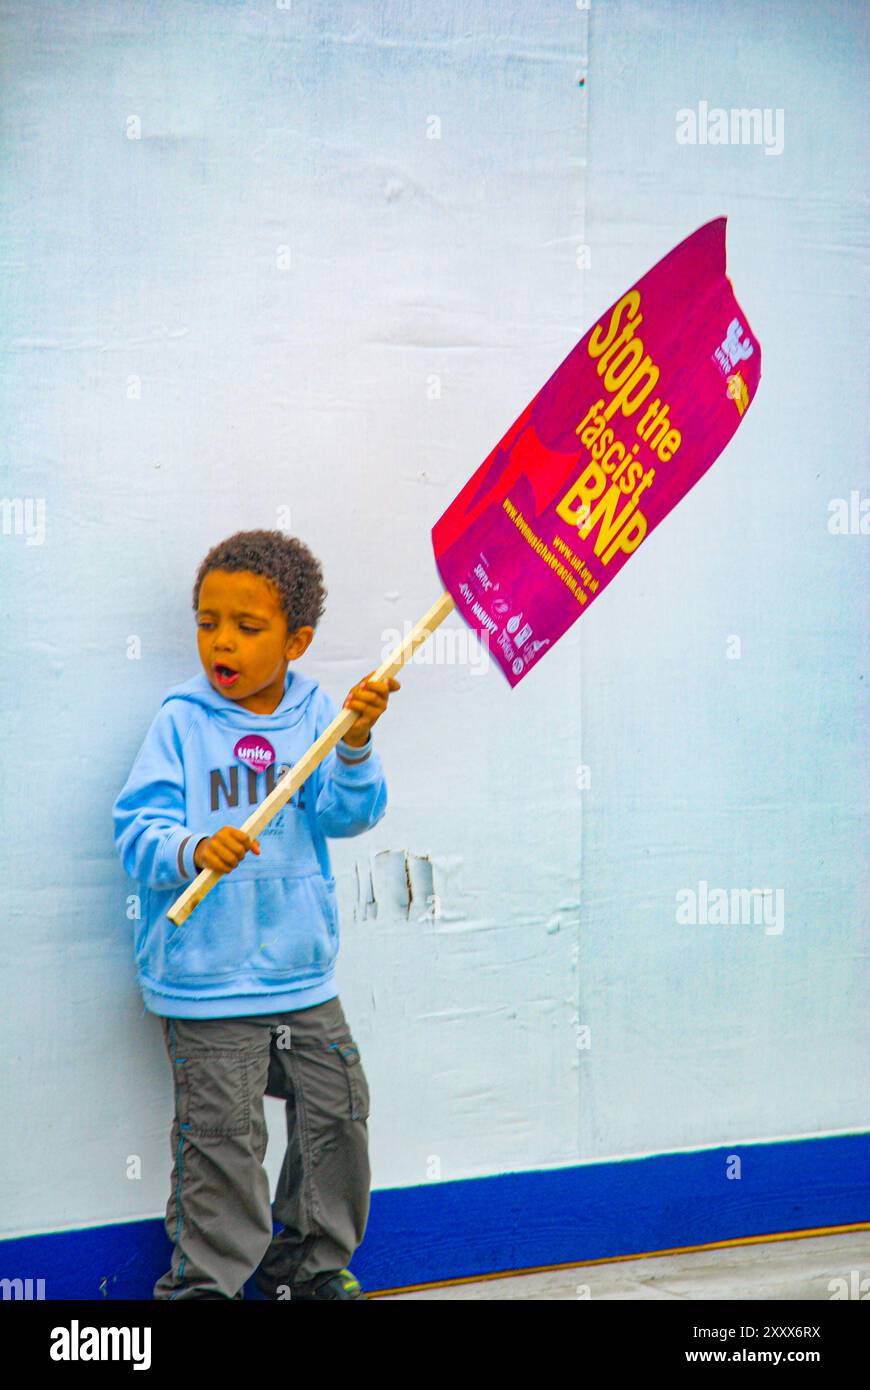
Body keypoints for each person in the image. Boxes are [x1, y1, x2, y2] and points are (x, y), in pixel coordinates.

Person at [112, 529, 400, 1300]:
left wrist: (356, 742)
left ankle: (307, 1270)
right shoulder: (182, 722)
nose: (221, 642)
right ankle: (204, 1287)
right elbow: (135, 830)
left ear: (296, 638)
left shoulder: (319, 716)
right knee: (224, 1142)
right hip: (206, 982)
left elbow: (350, 815)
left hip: (302, 974)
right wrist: (192, 848)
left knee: (337, 1114)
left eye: (246, 626)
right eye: (208, 623)